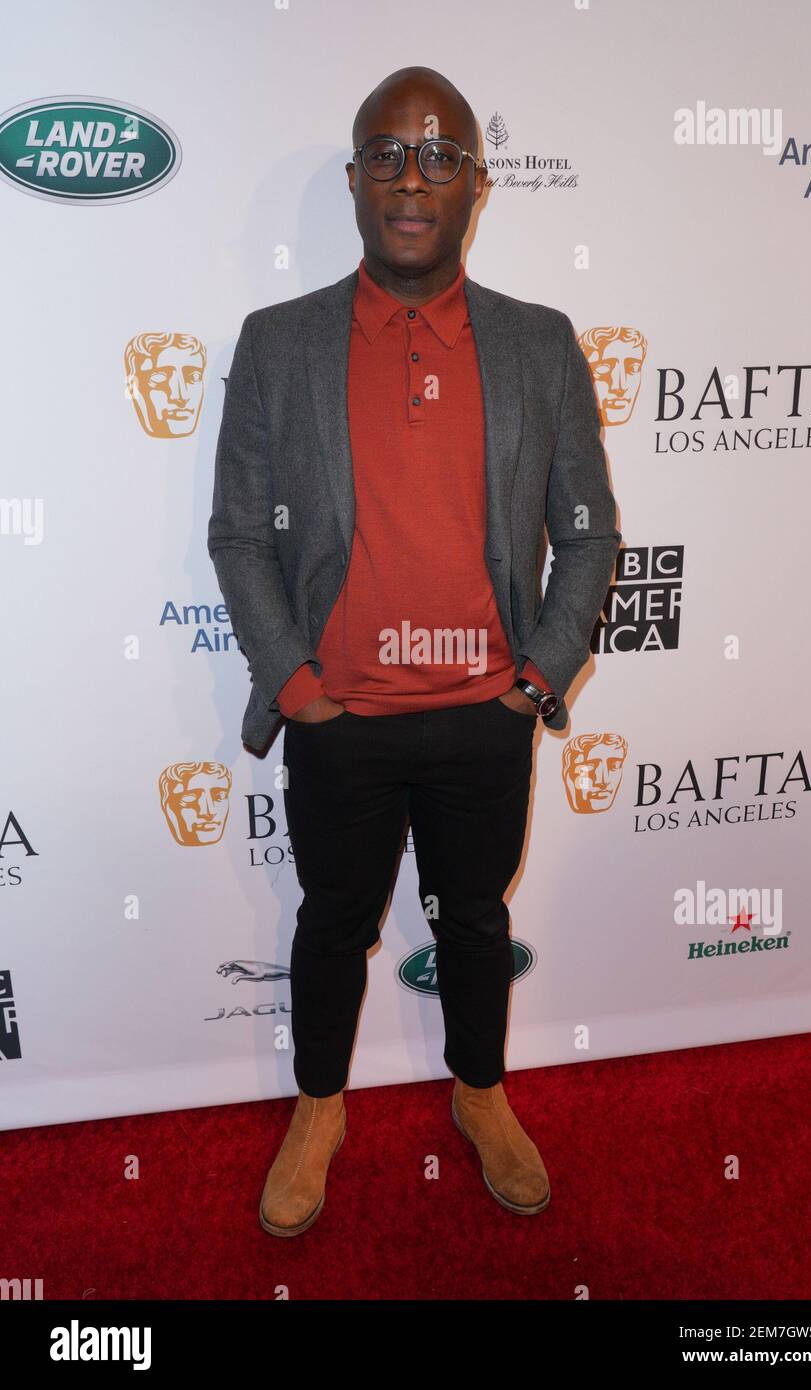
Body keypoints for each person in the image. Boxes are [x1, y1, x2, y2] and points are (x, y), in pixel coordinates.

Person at [207, 65, 621, 1236]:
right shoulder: (279, 344)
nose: (412, 179)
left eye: (440, 157)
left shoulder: (539, 345)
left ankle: (481, 1094)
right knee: (332, 920)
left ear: (477, 188)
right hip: (339, 711)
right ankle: (320, 1108)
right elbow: (240, 533)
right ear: (353, 180)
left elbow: (589, 534)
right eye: (387, 154)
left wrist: (536, 677)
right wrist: (293, 681)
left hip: (483, 712)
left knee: (475, 921)